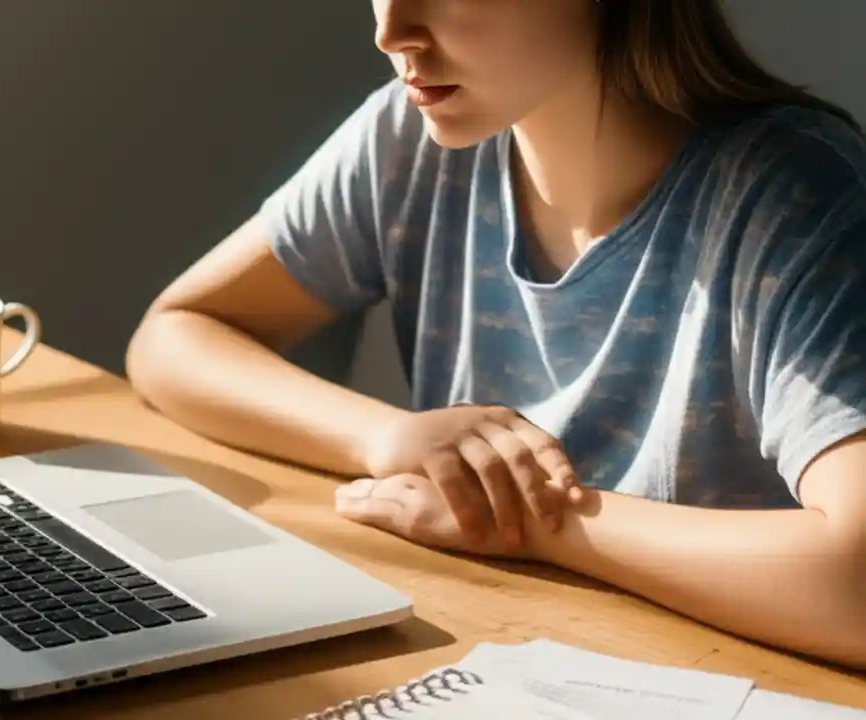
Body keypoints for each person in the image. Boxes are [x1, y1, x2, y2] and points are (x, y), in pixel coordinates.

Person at [125, 0, 866, 669]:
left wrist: (532, 520)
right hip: (494, 651)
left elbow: (856, 583)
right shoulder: (407, 135)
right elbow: (175, 336)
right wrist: (386, 438)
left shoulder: (795, 195)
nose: (391, 32)